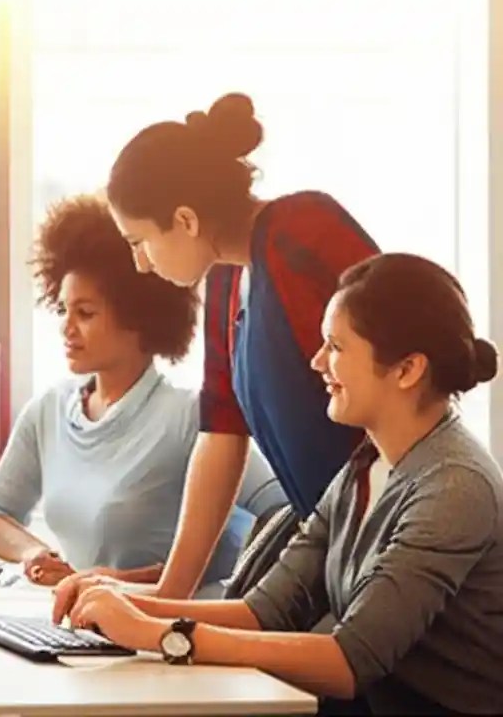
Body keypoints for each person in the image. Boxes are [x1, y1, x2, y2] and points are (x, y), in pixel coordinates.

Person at [53, 253, 503, 715]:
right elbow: (265, 611)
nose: (316, 361)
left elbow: (350, 660)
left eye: (336, 347)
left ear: (407, 370)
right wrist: (121, 606)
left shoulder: (454, 487)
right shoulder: (364, 467)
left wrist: (159, 635)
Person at [59, 93, 381, 601]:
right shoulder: (226, 283)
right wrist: (168, 597)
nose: (140, 263)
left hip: (388, 538)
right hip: (333, 545)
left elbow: (401, 364)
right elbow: (220, 437)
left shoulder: (303, 230)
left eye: (139, 241)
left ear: (185, 220)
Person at [0, 195, 277, 593]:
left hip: (161, 625)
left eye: (85, 313)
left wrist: (146, 582)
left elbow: (283, 513)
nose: (66, 329)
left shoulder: (189, 418)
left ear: (138, 318)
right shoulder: (47, 411)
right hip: (81, 621)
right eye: (63, 310)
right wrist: (33, 553)